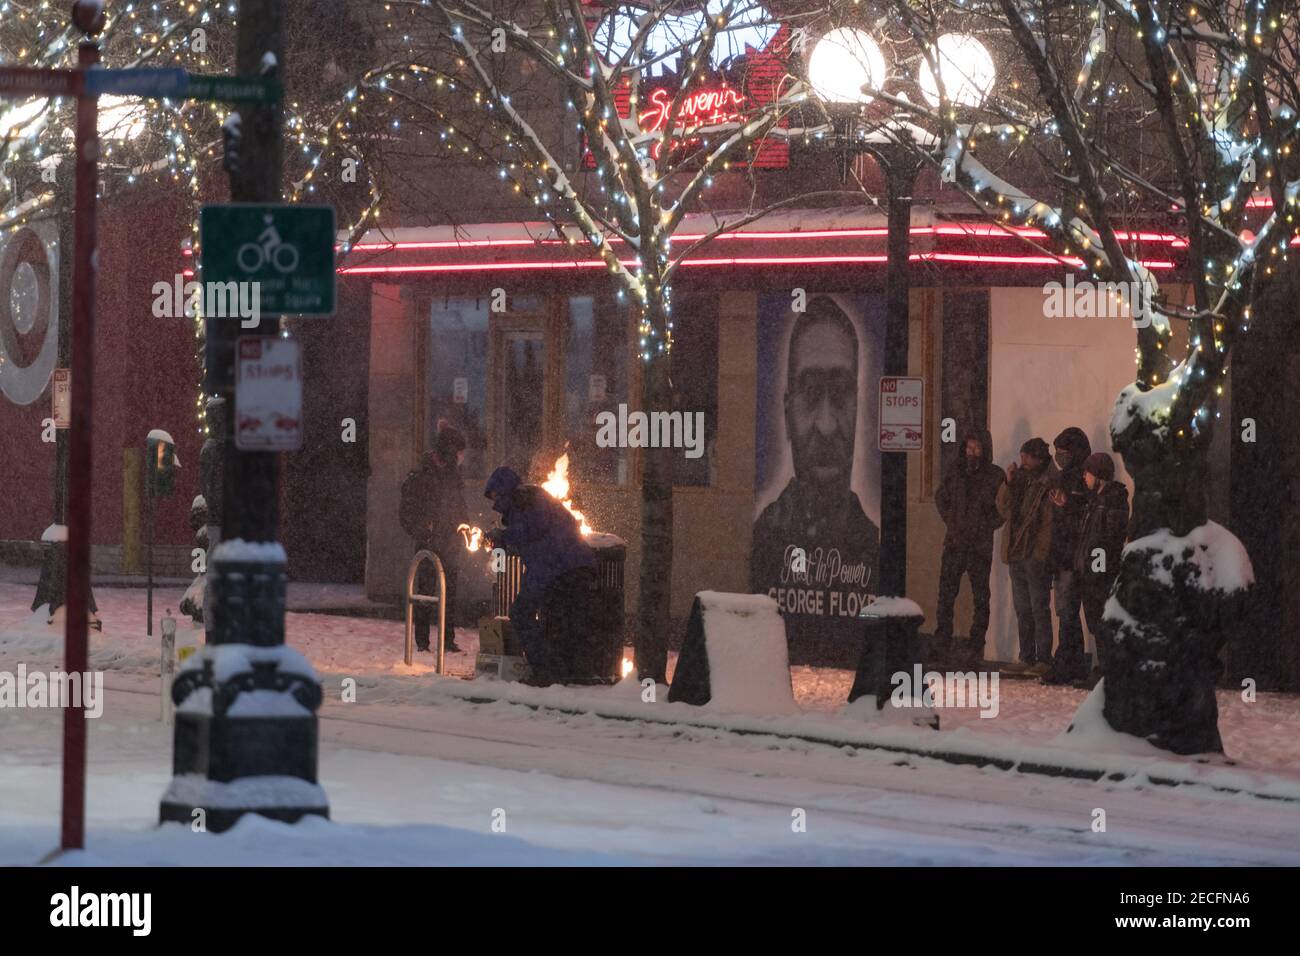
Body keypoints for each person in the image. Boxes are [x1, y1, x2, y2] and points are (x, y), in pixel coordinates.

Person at [750, 296, 880, 664]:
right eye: (810, 393)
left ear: (858, 405)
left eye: (840, 393)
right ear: (788, 412)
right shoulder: (767, 533)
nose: (825, 425)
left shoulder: (870, 541)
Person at [483, 465, 596, 684]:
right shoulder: (529, 500)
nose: (494, 502)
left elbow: (531, 532)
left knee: (522, 613)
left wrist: (503, 537)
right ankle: (567, 672)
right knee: (562, 621)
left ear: (504, 490)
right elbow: (536, 538)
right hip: (573, 566)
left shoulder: (527, 502)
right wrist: (504, 540)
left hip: (560, 568)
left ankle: (546, 672)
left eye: (496, 494)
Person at [934, 430, 1006, 662]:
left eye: (976, 448)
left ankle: (976, 646)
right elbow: (941, 498)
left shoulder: (994, 476)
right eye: (968, 448)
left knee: (981, 597)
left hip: (979, 545)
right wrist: (952, 521)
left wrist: (985, 525)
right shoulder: (956, 472)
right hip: (955, 542)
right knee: (945, 595)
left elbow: (1003, 508)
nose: (971, 452)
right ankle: (942, 643)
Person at [399, 425, 466, 653]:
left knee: (450, 593)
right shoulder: (421, 476)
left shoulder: (453, 475)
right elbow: (407, 511)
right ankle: (422, 641)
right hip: (428, 542)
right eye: (457, 452)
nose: (460, 458)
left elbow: (459, 506)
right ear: (447, 450)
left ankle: (447, 639)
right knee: (425, 592)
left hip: (450, 542)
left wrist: (465, 527)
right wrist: (421, 531)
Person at [996, 437, 1058, 674]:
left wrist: (1041, 553)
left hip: (1034, 554)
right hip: (1017, 552)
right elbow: (1003, 509)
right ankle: (1026, 656)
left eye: (1027, 457)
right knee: (1023, 607)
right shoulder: (1021, 480)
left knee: (1038, 606)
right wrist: (1008, 483)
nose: (1023, 462)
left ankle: (1042, 658)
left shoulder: (1049, 482)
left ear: (1038, 458)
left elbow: (1048, 523)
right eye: (1022, 457)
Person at [1074, 452, 1130, 684]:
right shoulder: (1096, 500)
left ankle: (1108, 672)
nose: (1084, 478)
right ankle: (1103, 669)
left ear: (1098, 475)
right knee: (1097, 622)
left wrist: (1097, 569)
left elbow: (1108, 539)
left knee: (1102, 622)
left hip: (1100, 574)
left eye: (1087, 473)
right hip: (1092, 571)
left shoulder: (1111, 500)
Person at [1043, 426, 1092, 684]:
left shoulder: (1081, 479)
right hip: (1064, 553)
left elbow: (1082, 514)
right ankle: (1070, 661)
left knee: (1068, 611)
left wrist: (1068, 504)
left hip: (1071, 554)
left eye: (1063, 452)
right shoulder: (1067, 477)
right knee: (1067, 612)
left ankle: (1067, 661)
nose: (1059, 456)